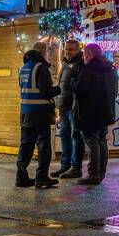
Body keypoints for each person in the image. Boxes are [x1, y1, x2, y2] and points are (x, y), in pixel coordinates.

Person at [72, 42, 119, 185]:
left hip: (90, 113)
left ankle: (93, 174)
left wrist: (73, 82)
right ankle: (101, 173)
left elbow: (81, 90)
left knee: (92, 142)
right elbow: (115, 91)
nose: (84, 57)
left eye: (85, 54)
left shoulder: (87, 70)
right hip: (105, 111)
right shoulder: (111, 70)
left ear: (90, 54)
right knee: (101, 141)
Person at [16, 41, 60, 188]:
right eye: (47, 51)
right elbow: (45, 91)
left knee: (26, 145)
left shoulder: (23, 68)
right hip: (40, 113)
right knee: (43, 146)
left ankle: (21, 177)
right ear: (43, 52)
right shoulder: (40, 68)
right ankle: (42, 177)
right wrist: (58, 89)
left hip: (25, 112)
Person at [50, 39, 85, 179]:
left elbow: (78, 86)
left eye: (70, 49)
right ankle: (65, 166)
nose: (67, 51)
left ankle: (76, 167)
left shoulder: (80, 64)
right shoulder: (65, 63)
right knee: (65, 136)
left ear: (77, 50)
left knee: (75, 136)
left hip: (73, 106)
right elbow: (61, 85)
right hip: (63, 105)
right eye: (66, 49)